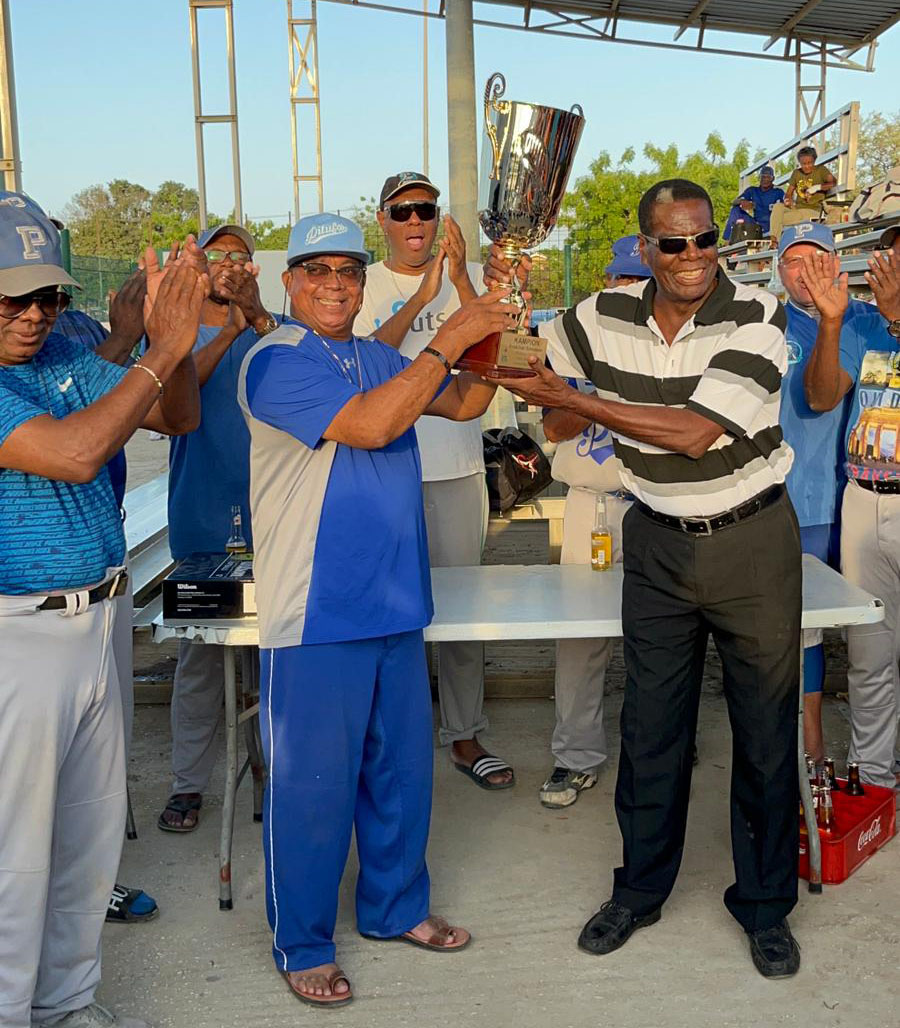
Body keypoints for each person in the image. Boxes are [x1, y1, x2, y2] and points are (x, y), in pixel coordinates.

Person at [489, 179, 803, 979]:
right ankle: (639, 890)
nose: (694, 256)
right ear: (647, 248)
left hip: (752, 541)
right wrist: (501, 303)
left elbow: (696, 434)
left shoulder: (757, 314)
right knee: (652, 730)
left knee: (764, 738)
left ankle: (765, 907)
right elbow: (532, 380)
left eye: (706, 240)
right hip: (657, 543)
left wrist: (577, 400)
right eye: (674, 243)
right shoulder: (595, 319)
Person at [237, 213, 517, 1006]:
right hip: (317, 606)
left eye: (349, 271)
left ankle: (396, 909)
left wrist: (490, 321)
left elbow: (461, 405)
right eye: (317, 270)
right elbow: (374, 422)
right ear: (286, 281)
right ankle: (303, 942)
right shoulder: (275, 359)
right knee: (313, 786)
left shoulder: (372, 353)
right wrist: (448, 336)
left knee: (399, 775)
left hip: (394, 596)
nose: (334, 284)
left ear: (364, 282)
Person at [0, 201, 205, 1027]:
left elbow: (175, 415)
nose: (33, 314)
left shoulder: (64, 352)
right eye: (12, 297)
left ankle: (65, 1001)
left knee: (86, 841)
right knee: (17, 852)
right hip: (17, 635)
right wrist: (165, 349)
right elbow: (77, 451)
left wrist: (171, 342)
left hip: (95, 621)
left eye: (45, 295)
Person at [353, 171, 514, 790]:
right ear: (383, 218)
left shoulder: (459, 278)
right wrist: (421, 300)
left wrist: (463, 280)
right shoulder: (361, 282)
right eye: (403, 211)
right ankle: (390, 732)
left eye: (426, 209)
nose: (416, 222)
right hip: (382, 470)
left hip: (455, 467)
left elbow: (491, 352)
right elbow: (363, 365)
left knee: (463, 611)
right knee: (387, 611)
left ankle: (465, 734)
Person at [158, 222, 285, 833]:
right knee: (201, 662)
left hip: (273, 519)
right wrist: (228, 327)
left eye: (241, 255)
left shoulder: (271, 324)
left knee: (271, 655)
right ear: (199, 265)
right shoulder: (178, 327)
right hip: (202, 518)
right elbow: (175, 401)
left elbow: (300, 366)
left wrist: (253, 316)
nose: (230, 264)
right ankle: (188, 784)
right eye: (218, 255)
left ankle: (266, 765)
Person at [537, 236, 649, 809]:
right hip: (591, 504)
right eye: (618, 281)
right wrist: (595, 393)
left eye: (637, 282)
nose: (625, 292)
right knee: (581, 639)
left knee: (660, 638)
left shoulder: (671, 352)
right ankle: (575, 756)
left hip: (656, 506)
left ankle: (656, 750)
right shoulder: (574, 347)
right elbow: (553, 430)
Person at [801, 240, 900, 789]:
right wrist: (834, 324)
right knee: (870, 653)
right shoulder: (860, 323)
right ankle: (878, 780)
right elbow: (819, 397)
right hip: (863, 496)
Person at [776, 223, 869, 763]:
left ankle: (874, 749)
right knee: (805, 627)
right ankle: (811, 742)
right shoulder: (766, 321)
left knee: (874, 632)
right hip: (798, 502)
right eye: (795, 261)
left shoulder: (872, 318)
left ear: (839, 265)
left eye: (819, 258)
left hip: (862, 499)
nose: (807, 271)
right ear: (777, 268)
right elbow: (817, 400)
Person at [770, 146, 836, 239]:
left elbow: (833, 182)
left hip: (813, 210)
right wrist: (787, 200)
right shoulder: (796, 173)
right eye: (803, 164)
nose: (807, 166)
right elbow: (789, 192)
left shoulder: (821, 170)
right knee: (777, 207)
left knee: (776, 220)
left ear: (814, 160)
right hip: (797, 208)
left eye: (810, 163)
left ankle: (775, 240)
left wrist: (817, 187)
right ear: (800, 163)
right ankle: (774, 240)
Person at [722, 166, 785, 240]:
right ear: (759, 178)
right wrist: (742, 202)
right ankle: (727, 240)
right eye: (762, 177)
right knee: (735, 209)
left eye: (768, 177)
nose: (765, 179)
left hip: (771, 226)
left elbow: (787, 206)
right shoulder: (752, 191)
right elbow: (734, 202)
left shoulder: (778, 192)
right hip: (756, 225)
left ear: (773, 179)